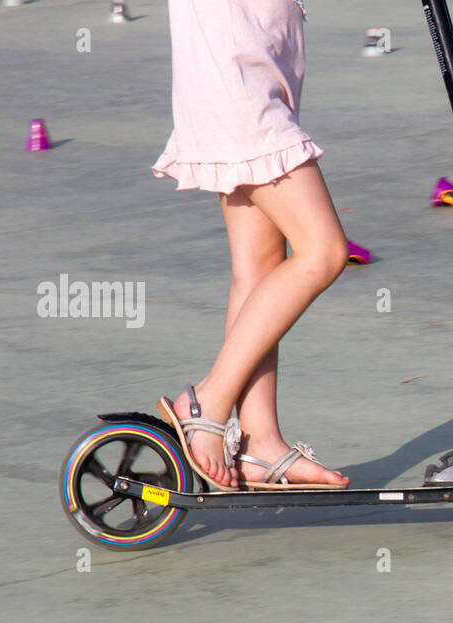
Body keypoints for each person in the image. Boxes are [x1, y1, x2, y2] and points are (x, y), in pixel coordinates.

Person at [152, 0, 350, 490]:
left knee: (259, 265)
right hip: (233, 66)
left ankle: (261, 443)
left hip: (263, 55)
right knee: (323, 251)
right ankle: (207, 402)